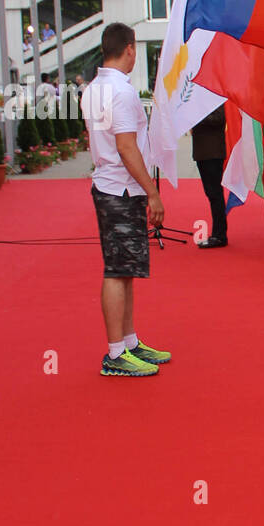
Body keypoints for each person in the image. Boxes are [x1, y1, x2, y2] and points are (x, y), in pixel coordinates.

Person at [83, 22, 170, 377]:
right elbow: (126, 146)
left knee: (126, 269)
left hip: (112, 184)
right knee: (118, 271)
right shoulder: (121, 91)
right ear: (130, 49)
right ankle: (116, 352)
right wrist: (152, 192)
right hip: (120, 187)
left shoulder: (94, 88)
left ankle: (129, 342)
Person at [191, 104, 228, 248]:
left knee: (215, 194)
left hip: (213, 152)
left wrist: (196, 115)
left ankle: (219, 235)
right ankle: (218, 233)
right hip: (203, 152)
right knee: (211, 193)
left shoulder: (214, 97)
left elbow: (218, 119)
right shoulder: (200, 99)